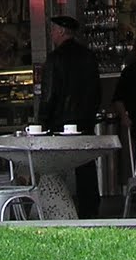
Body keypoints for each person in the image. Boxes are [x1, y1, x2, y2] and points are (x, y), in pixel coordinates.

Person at [39, 15, 103, 217]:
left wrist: (42, 122)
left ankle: (59, 209)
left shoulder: (55, 58)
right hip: (84, 121)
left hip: (60, 122)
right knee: (86, 167)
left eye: (53, 30)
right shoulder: (88, 56)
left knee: (56, 168)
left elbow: (49, 94)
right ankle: (90, 210)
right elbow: (96, 91)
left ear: (60, 32)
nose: (51, 34)